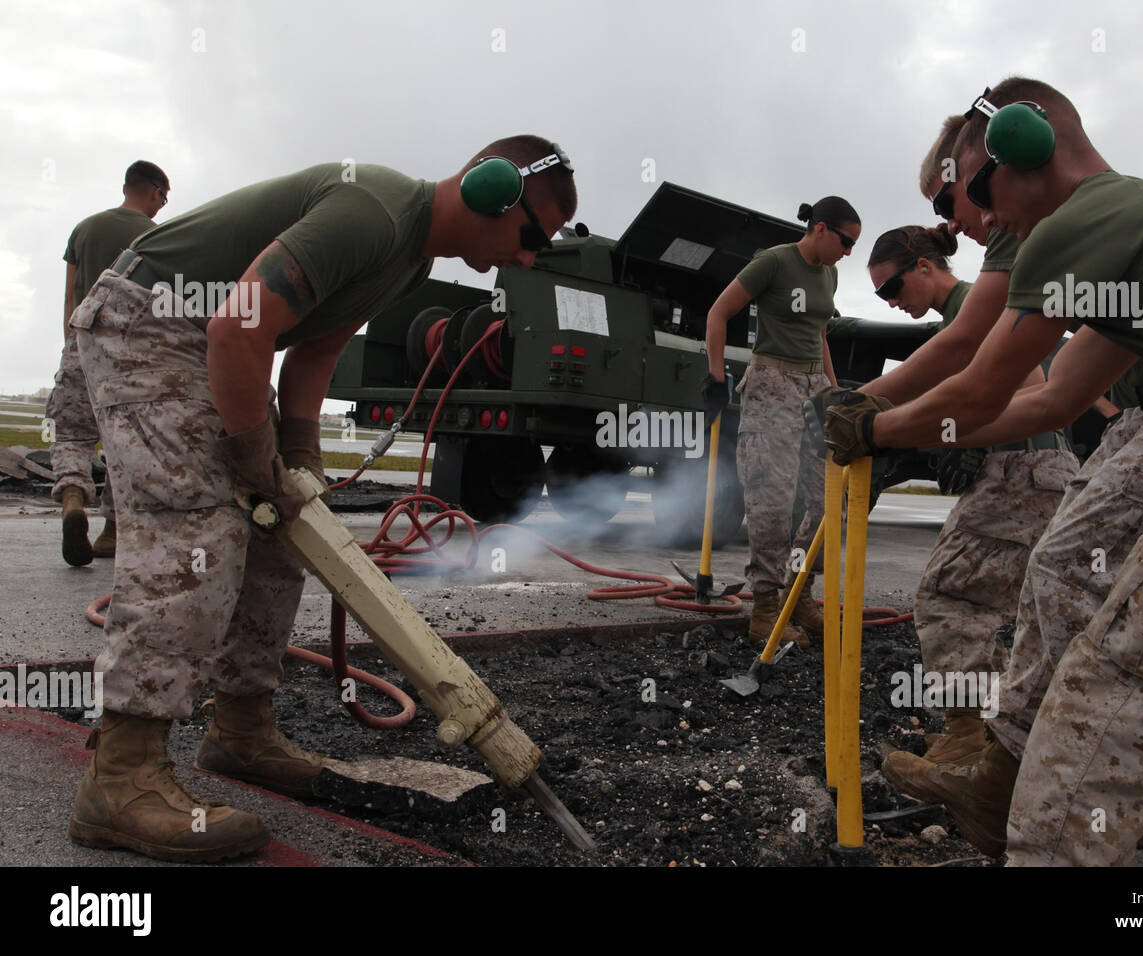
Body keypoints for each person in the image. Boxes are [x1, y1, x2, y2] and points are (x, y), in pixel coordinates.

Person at [826, 77, 1143, 866]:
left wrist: (872, 423)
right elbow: (1050, 402)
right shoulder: (1134, 245)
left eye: (969, 197)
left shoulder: (1083, 221)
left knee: (1110, 702)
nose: (978, 226)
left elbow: (978, 386)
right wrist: (892, 429)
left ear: (1019, 151)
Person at [66, 136, 577, 863]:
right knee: (198, 531)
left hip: (202, 335)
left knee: (280, 530)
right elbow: (239, 323)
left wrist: (297, 458)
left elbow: (314, 351)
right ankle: (120, 778)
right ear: (491, 189)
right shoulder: (373, 212)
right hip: (147, 321)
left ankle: (240, 732)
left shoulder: (410, 256)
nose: (529, 257)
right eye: (532, 235)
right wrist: (250, 450)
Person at [863, 220, 1079, 767]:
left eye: (893, 288)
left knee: (949, 599)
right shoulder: (966, 314)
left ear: (927, 268)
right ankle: (1020, 743)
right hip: (1037, 466)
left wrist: (863, 410)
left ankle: (968, 742)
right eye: (879, 296)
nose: (891, 302)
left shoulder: (972, 309)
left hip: (1022, 465)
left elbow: (1030, 388)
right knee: (1052, 614)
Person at [704, 197, 861, 648]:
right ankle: (765, 609)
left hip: (813, 389)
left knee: (828, 498)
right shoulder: (774, 262)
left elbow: (820, 334)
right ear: (821, 229)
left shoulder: (829, 273)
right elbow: (719, 312)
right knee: (771, 502)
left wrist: (834, 392)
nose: (847, 253)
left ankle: (800, 593)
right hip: (772, 384)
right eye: (846, 242)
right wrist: (716, 377)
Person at [49, 160, 169, 566]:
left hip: (82, 338)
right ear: (155, 192)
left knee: (71, 435)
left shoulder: (84, 228)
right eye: (163, 198)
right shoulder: (161, 237)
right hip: (132, 352)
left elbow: (70, 294)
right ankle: (113, 532)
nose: (162, 207)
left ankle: (71, 495)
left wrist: (72, 343)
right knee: (126, 441)